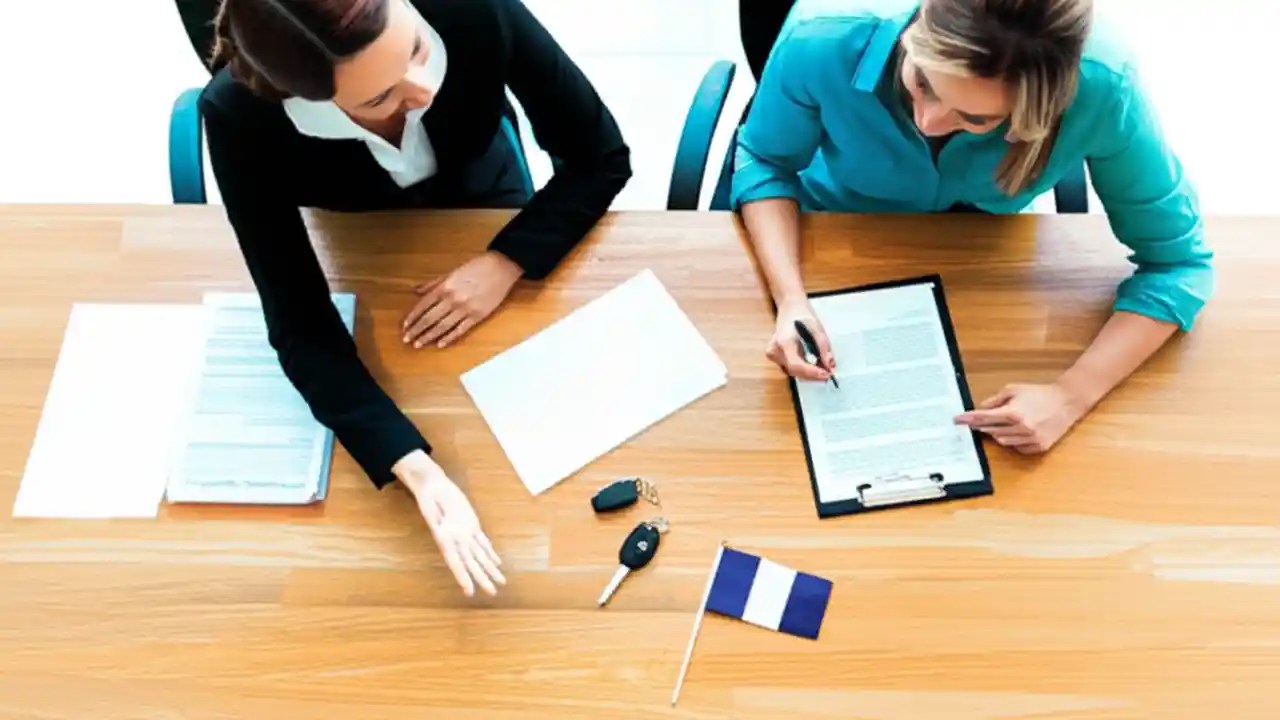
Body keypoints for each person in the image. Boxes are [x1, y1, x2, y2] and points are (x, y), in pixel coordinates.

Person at [203, 0, 631, 597]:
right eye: (379, 98)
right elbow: (299, 322)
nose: (423, 91)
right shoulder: (238, 114)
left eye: (417, 51)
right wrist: (418, 472)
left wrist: (505, 262)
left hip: (483, 190)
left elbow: (601, 155)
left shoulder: (473, 9)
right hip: (363, 232)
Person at [732, 0, 1213, 455]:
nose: (927, 121)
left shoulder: (1104, 85)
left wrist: (1070, 396)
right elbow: (764, 158)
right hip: (831, 236)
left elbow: (1178, 264)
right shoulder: (824, 32)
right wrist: (791, 297)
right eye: (923, 81)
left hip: (985, 261)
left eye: (975, 117)